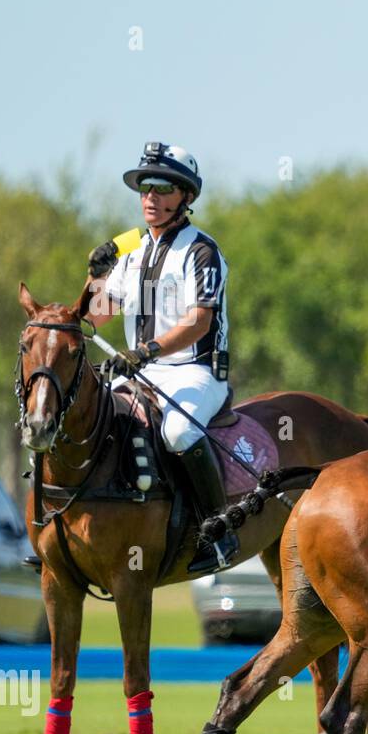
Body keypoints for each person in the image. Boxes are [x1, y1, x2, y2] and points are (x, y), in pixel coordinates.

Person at [82, 141, 239, 574]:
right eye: (144, 187)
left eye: (162, 187)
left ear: (185, 197)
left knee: (177, 433)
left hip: (195, 373)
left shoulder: (201, 250)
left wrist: (145, 351)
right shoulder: (130, 253)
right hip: (140, 372)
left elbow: (199, 322)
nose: (150, 196)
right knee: (84, 415)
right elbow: (97, 314)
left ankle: (219, 530)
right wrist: (95, 275)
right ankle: (68, 530)